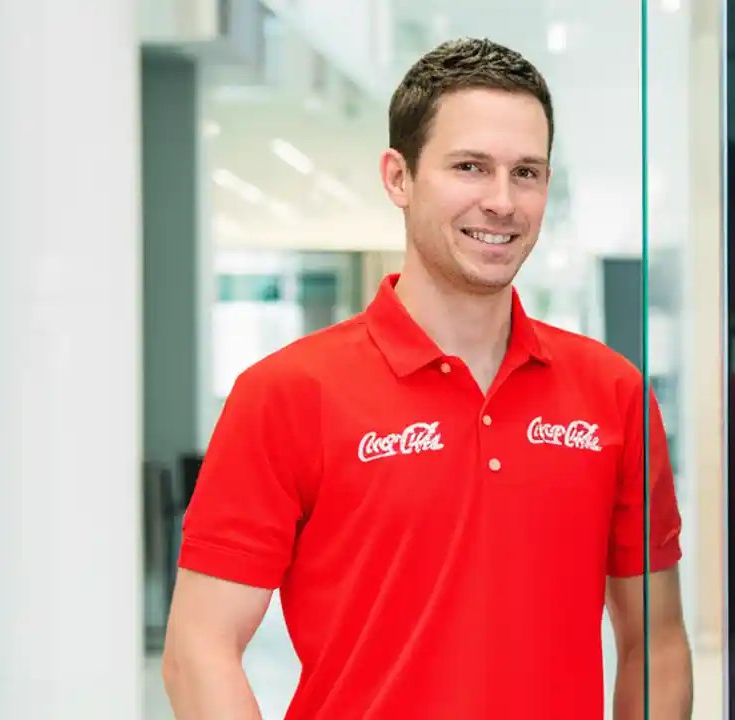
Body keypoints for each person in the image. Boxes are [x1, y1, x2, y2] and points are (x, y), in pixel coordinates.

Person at [161, 37, 692, 720]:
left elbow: (657, 641)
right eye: (470, 167)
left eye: (525, 172)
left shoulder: (612, 394)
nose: (502, 201)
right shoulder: (287, 392)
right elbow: (199, 648)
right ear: (398, 177)